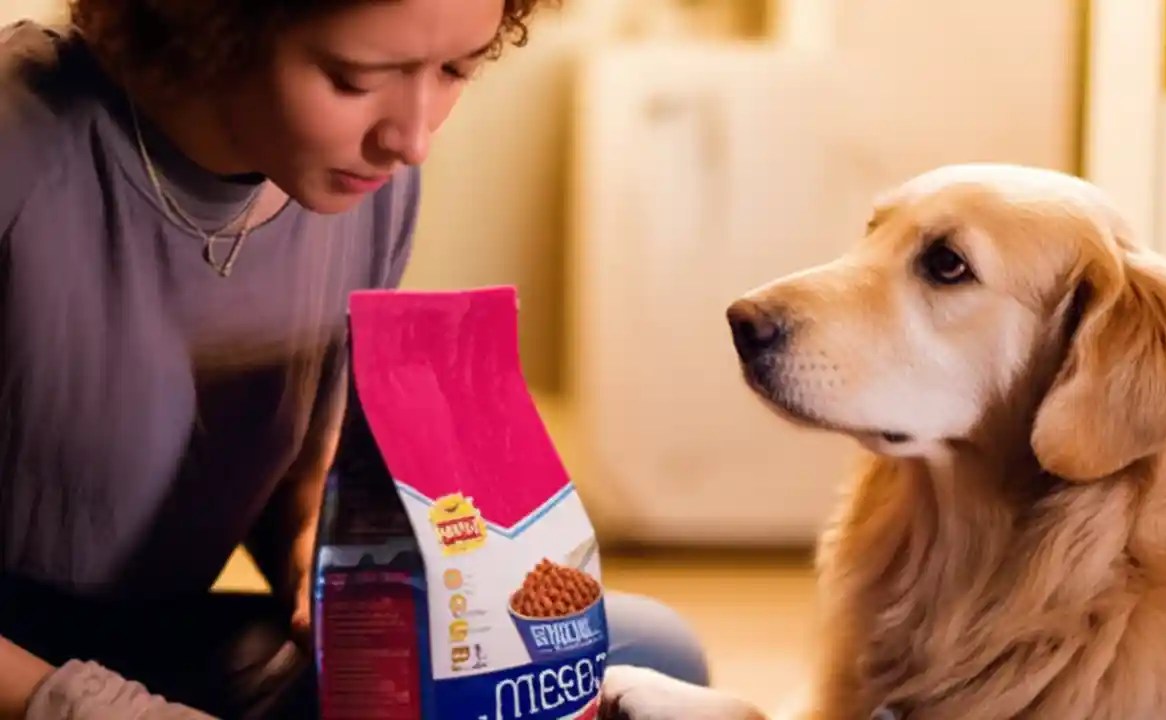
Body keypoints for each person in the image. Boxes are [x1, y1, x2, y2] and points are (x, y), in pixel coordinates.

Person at [0, 1, 710, 717]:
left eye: (458, 68)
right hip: (19, 671)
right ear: (212, 27)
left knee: (645, 653)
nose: (412, 140)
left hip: (153, 637)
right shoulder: (19, 140)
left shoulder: (360, 182)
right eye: (355, 78)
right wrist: (89, 707)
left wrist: (339, 578)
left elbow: (283, 469)